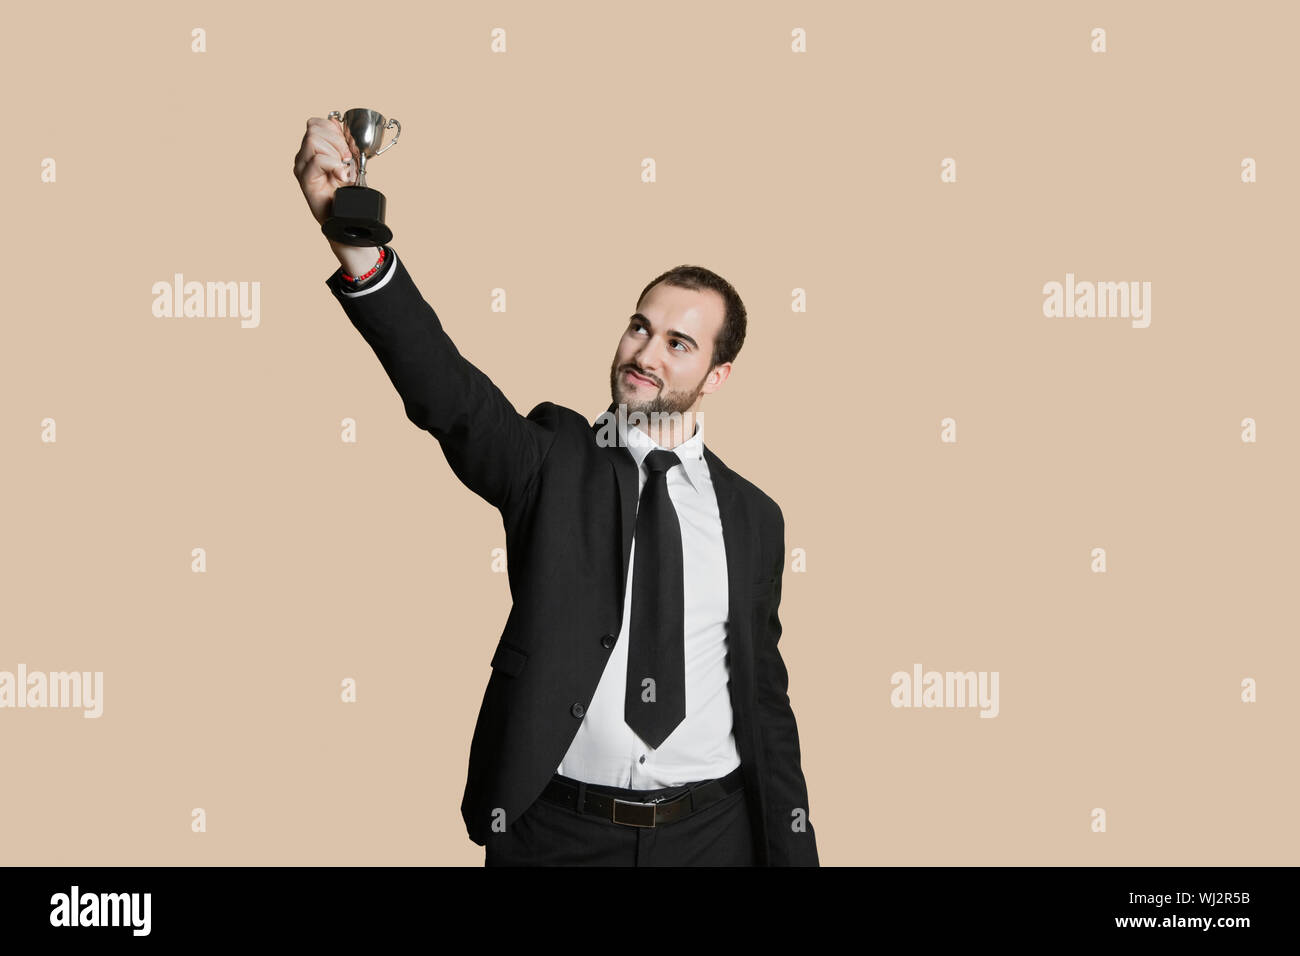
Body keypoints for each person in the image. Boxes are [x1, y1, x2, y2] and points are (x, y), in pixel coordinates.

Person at [292, 116, 818, 866]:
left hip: (713, 834)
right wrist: (358, 248)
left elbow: (765, 702)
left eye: (679, 343)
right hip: (561, 835)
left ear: (717, 375)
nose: (645, 353)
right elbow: (451, 397)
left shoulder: (755, 518)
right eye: (641, 327)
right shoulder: (554, 459)